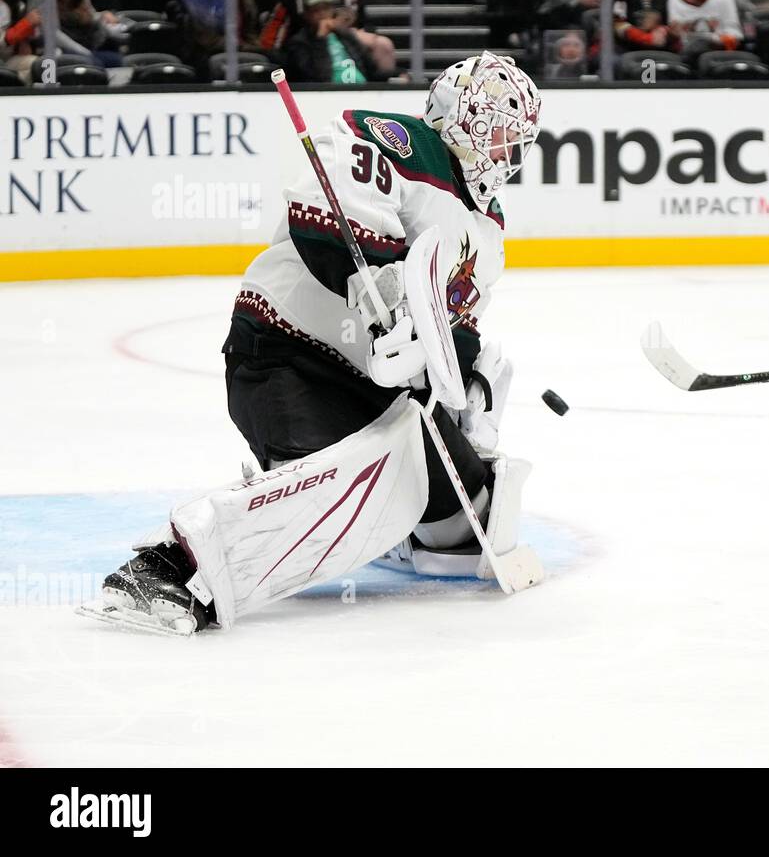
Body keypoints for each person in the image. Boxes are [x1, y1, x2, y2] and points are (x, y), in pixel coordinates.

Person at [86, 52, 544, 634]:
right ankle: (170, 565)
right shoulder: (396, 141)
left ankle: (390, 529)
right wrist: (380, 292)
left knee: (463, 523)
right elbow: (321, 222)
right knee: (329, 497)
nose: (505, 147)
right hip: (284, 355)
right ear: (456, 113)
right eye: (494, 125)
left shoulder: (488, 230)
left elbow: (451, 320)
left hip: (374, 389)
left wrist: (467, 384)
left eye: (516, 135)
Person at [284, 0, 381, 83]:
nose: (322, 14)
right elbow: (318, 78)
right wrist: (320, 39)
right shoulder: (299, 43)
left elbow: (371, 69)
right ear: (306, 14)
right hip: (327, 94)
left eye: (326, 8)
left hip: (362, 89)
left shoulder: (343, 34)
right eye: (316, 10)